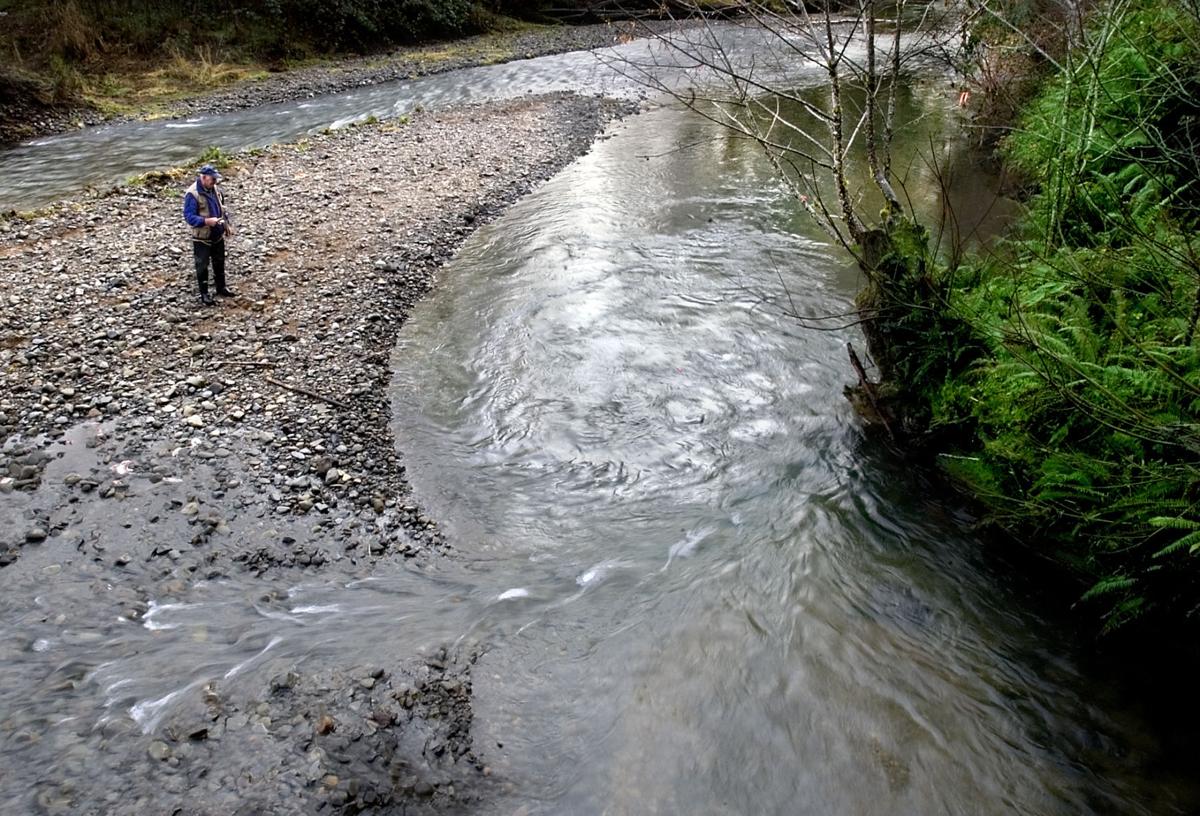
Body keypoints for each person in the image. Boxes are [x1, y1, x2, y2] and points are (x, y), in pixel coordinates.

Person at [183, 164, 236, 306]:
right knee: (202, 265)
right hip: (202, 237)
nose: (215, 181)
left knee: (219, 261)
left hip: (217, 234)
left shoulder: (215, 189)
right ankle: (204, 294)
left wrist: (226, 224)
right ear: (203, 177)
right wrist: (206, 221)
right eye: (212, 179)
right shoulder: (192, 194)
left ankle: (221, 287)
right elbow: (188, 217)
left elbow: (222, 209)